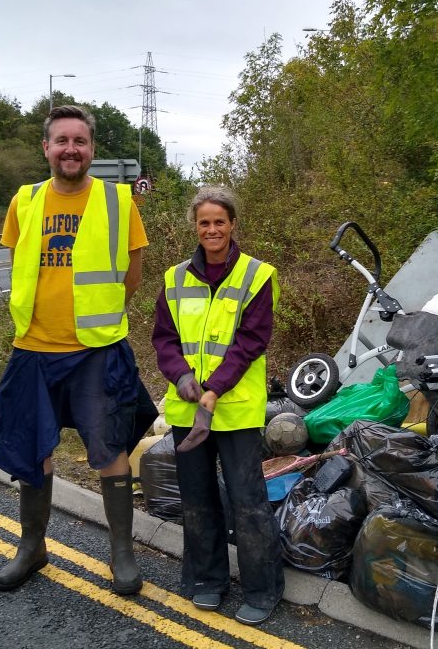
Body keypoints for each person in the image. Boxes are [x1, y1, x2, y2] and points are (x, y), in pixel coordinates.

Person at [0, 104, 156, 596]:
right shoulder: (24, 200)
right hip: (33, 349)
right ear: (46, 147)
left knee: (110, 452)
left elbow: (133, 275)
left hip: (96, 350)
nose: (70, 149)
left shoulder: (119, 201)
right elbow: (18, 263)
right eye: (61, 140)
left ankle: (121, 553)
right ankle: (32, 546)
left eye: (79, 141)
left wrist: (96, 315)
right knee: (35, 450)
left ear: (92, 149)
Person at [152, 185, 284, 625]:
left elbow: (251, 341)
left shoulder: (257, 276)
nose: (212, 229)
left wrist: (213, 388)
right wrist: (184, 378)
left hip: (236, 409)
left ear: (232, 225)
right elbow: (165, 340)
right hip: (187, 410)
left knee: (248, 502)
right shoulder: (173, 278)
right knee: (197, 499)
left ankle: (263, 589)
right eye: (204, 222)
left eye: (219, 222)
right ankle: (207, 579)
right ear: (196, 226)